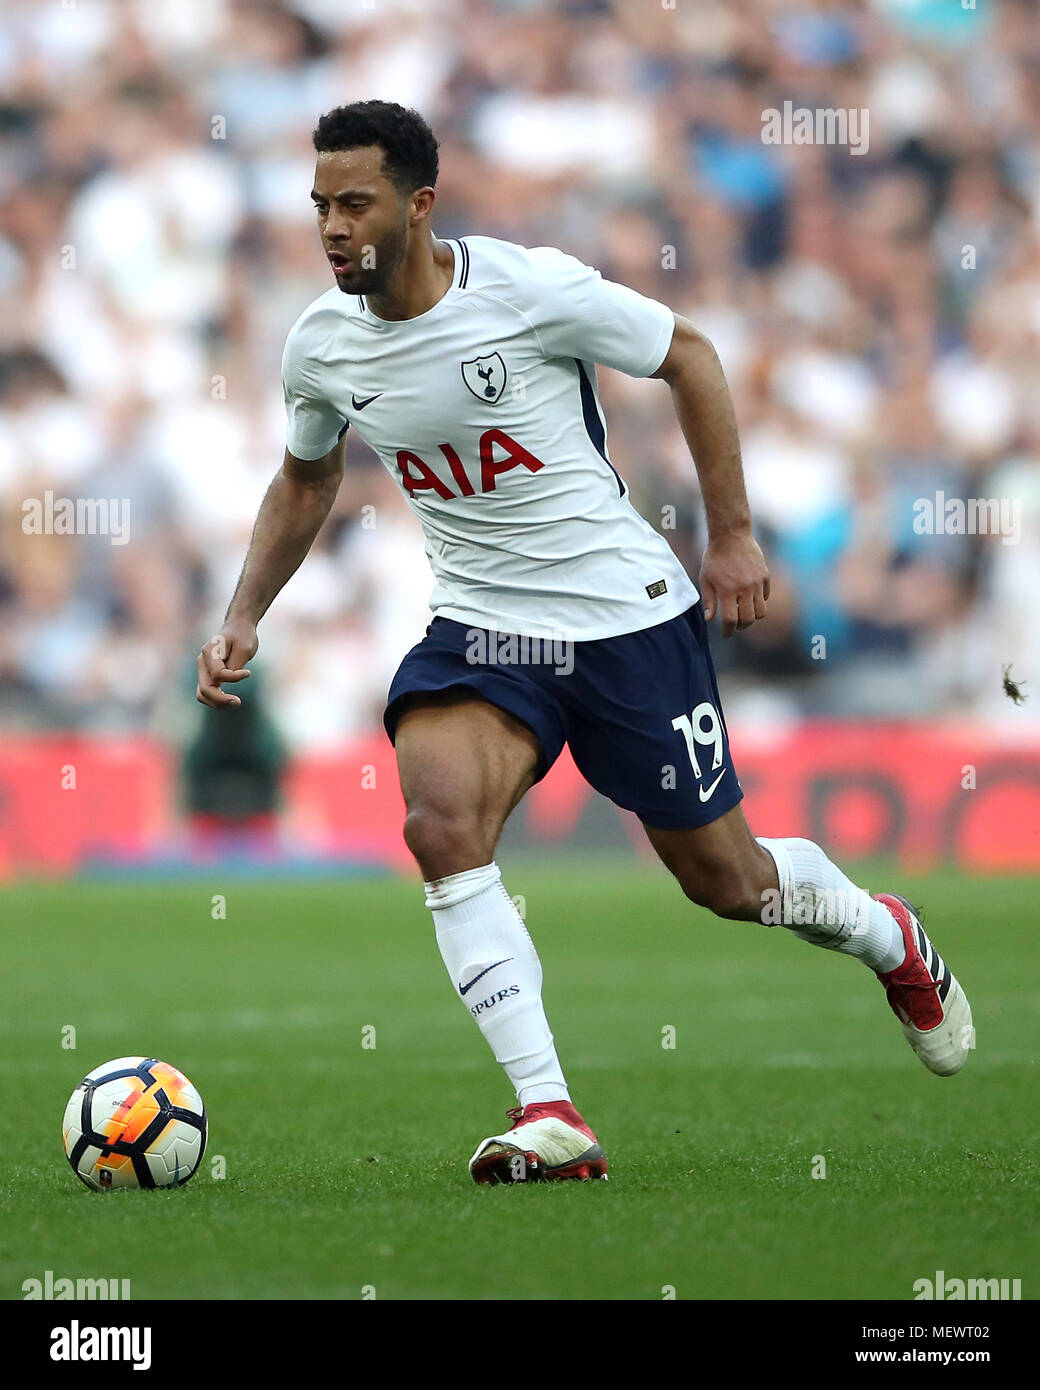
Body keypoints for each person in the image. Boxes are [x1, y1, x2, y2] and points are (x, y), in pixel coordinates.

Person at [196, 101, 973, 1185]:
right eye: (320, 204)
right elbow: (308, 475)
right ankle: (547, 1108)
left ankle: (886, 933)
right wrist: (244, 610)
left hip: (622, 616)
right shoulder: (321, 344)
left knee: (727, 881)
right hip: (479, 626)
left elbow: (690, 357)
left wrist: (733, 534)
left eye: (355, 203)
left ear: (418, 207)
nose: (331, 226)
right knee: (438, 823)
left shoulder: (527, 290)